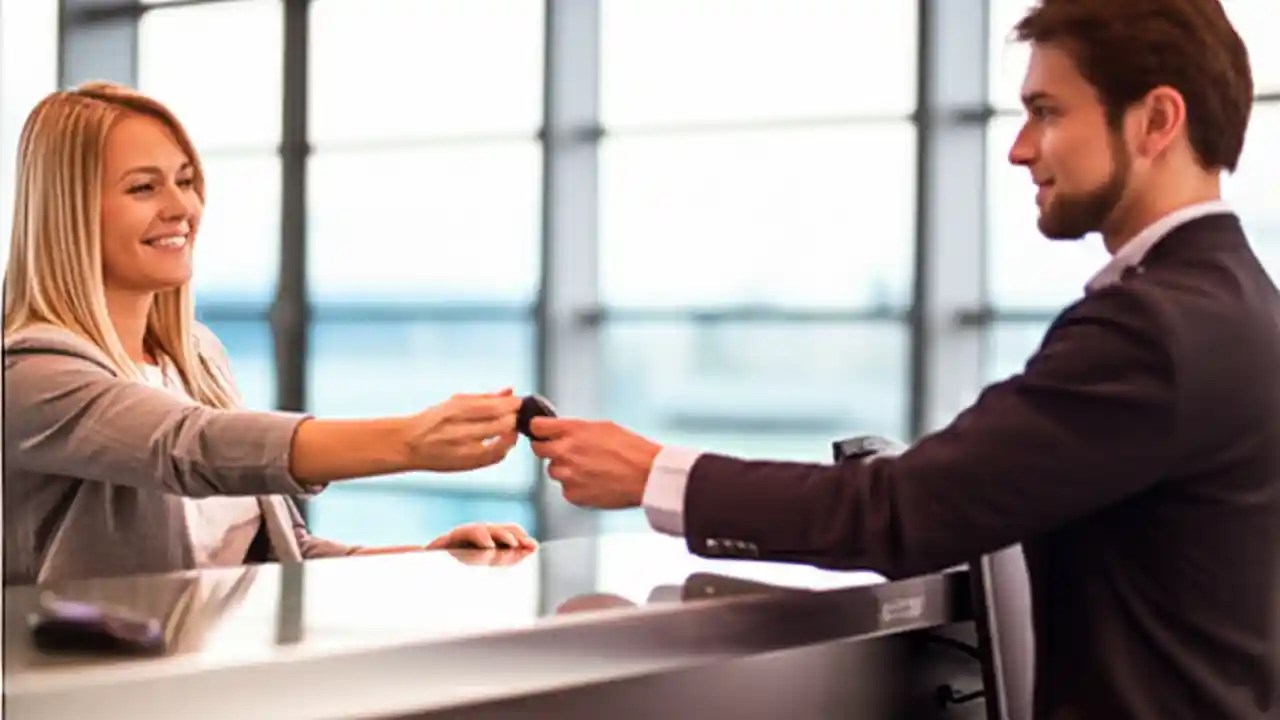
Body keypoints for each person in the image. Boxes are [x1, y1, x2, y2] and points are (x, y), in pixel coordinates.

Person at [529, 1, 1279, 718]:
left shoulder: (1153, 330)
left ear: (1157, 120)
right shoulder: (1245, 303)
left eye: (1047, 112)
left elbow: (908, 511)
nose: (1020, 148)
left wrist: (654, 473)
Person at [3, 82, 535, 586]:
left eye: (185, 181)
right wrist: (409, 440)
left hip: (204, 653)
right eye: (144, 187)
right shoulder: (28, 374)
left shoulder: (196, 357)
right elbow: (191, 448)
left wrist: (426, 560)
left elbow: (279, 553)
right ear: (68, 212)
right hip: (90, 659)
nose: (182, 208)